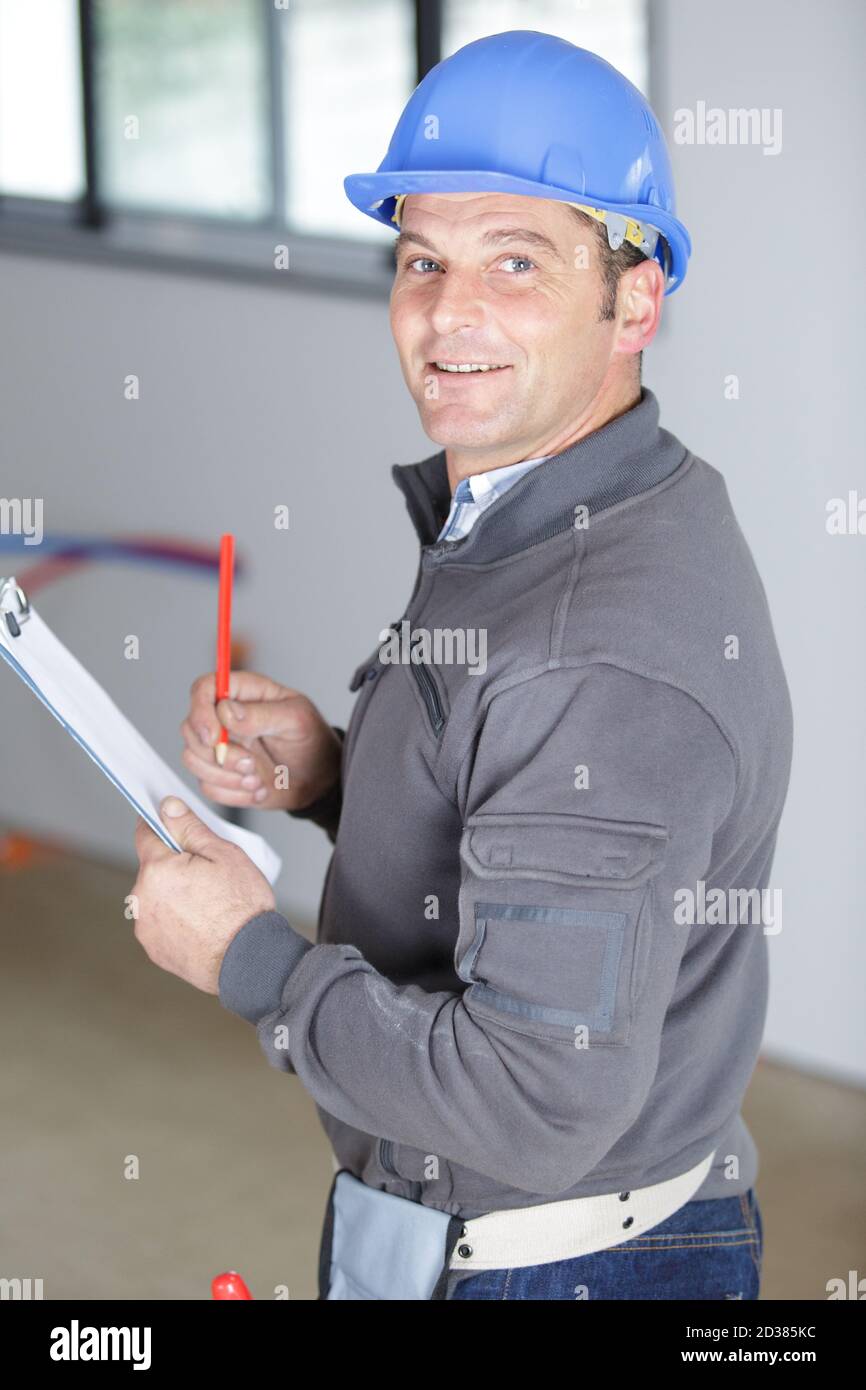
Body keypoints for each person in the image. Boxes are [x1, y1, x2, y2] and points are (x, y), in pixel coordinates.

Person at [131, 31, 792, 1300]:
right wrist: (337, 773)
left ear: (636, 298)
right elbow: (519, 785)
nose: (448, 313)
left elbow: (534, 1096)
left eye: (517, 262)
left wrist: (241, 956)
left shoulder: (599, 640)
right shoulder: (560, 507)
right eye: (422, 259)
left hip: (556, 1266)